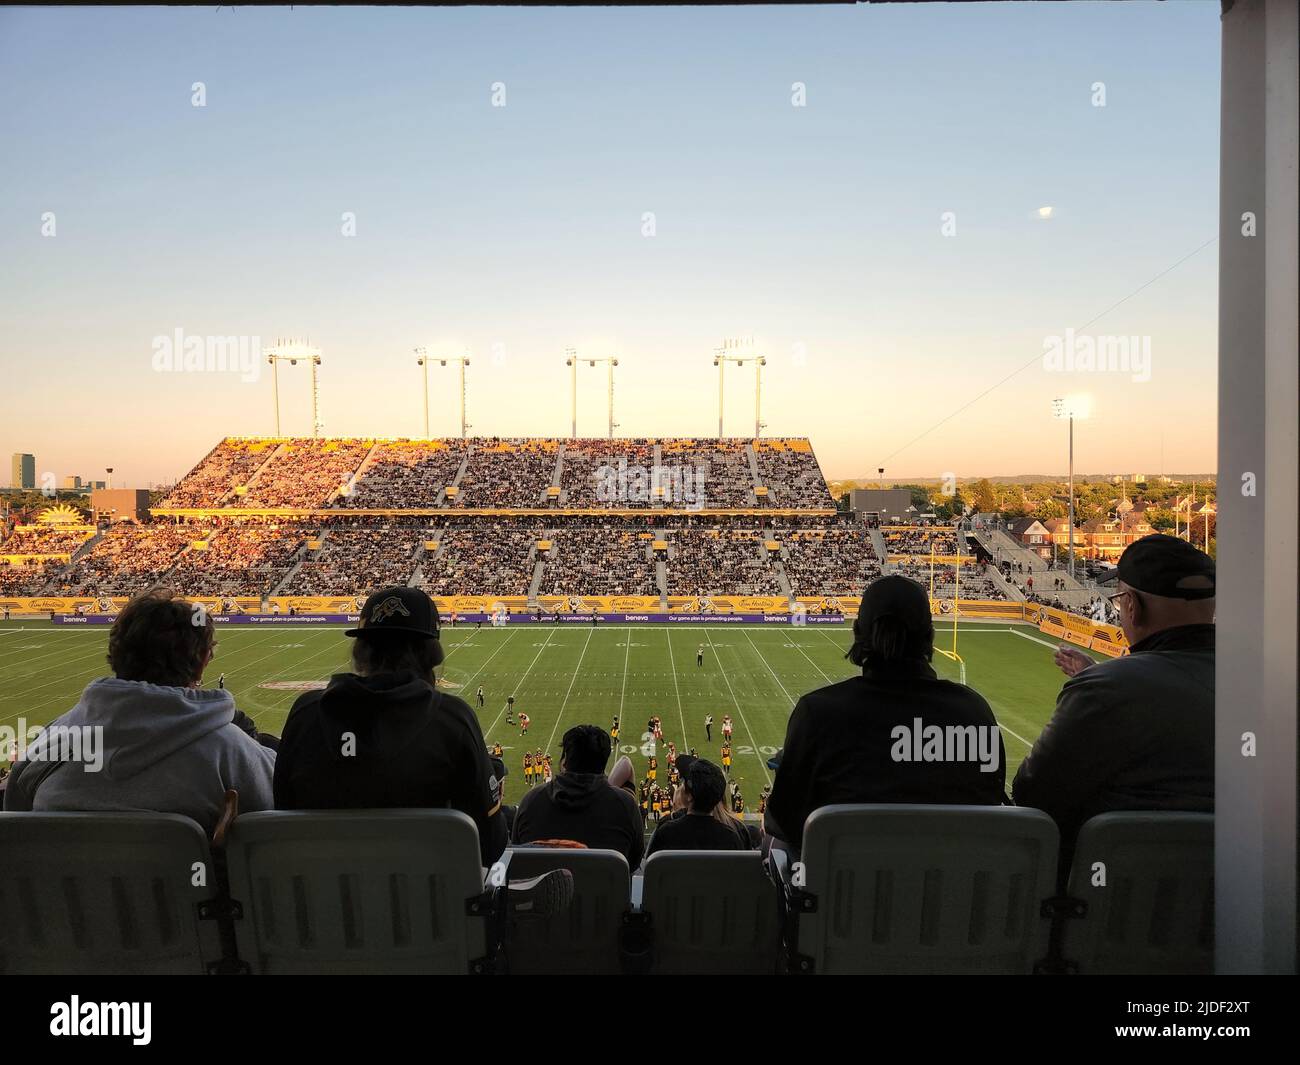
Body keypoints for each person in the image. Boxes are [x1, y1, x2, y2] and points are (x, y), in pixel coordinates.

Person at [1012, 535, 1215, 877]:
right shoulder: (1272, 685)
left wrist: (1099, 681)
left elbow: (1033, 794)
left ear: (1132, 605)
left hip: (1117, 904)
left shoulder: (1104, 690)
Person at [765, 575, 1006, 855]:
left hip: (846, 891)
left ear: (857, 633)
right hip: (951, 889)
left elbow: (783, 823)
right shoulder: (974, 713)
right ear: (930, 637)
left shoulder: (818, 714)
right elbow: (991, 806)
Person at [3, 590, 276, 836]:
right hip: (189, 890)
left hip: (62, 889)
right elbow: (271, 824)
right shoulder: (233, 752)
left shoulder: (51, 744)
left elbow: (17, 826)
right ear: (204, 660)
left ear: (115, 653)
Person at [273, 587, 507, 865]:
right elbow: (490, 845)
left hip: (322, 897)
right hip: (426, 898)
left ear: (361, 649)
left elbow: (283, 815)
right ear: (431, 653)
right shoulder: (452, 720)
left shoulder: (306, 714)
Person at [511, 724, 644, 870]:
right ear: (603, 762)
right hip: (601, 891)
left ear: (565, 760)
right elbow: (633, 863)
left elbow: (518, 854)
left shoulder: (532, 801)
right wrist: (607, 790)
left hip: (546, 890)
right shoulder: (624, 805)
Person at [645, 755, 751, 856]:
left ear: (688, 795)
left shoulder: (667, 831)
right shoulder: (733, 836)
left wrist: (677, 813)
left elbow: (651, 869)